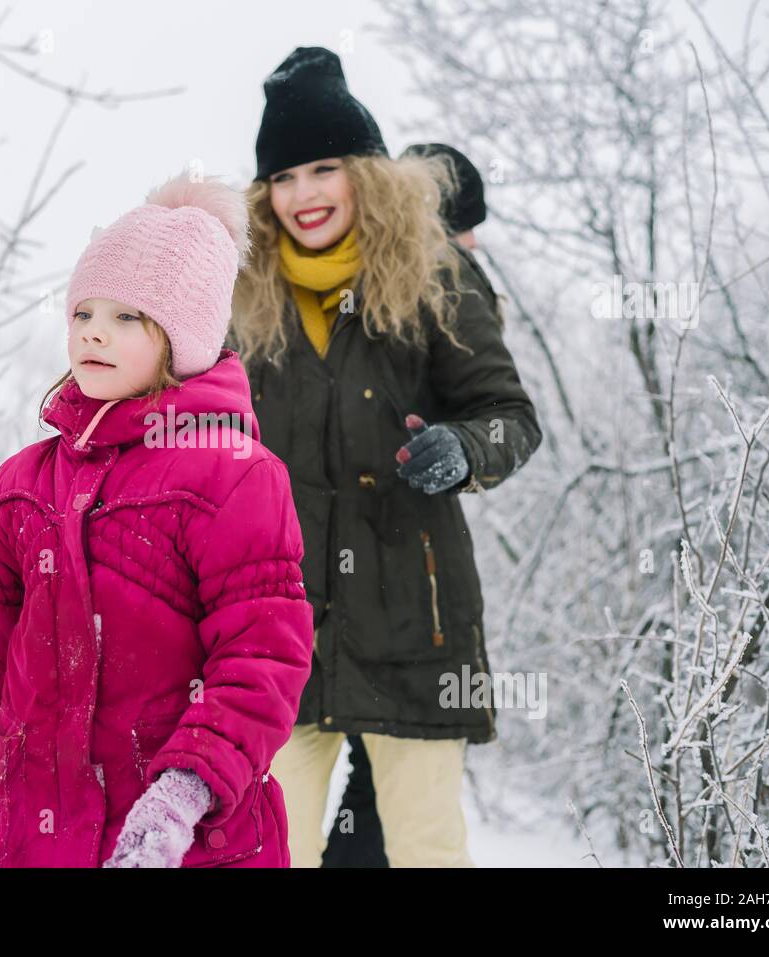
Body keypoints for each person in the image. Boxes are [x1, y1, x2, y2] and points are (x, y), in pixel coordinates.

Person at [0, 171, 315, 867]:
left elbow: (260, 656)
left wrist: (183, 791)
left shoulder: (234, 475)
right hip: (26, 836)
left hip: (182, 842)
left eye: (127, 318)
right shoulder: (23, 484)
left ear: (182, 338)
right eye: (83, 313)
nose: (94, 333)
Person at [228, 46, 542, 868]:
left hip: (416, 624)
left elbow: (510, 415)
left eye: (323, 169)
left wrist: (464, 449)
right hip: (277, 634)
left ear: (363, 171)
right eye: (285, 177)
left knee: (424, 850)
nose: (304, 195)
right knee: (263, 849)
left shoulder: (434, 276)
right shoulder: (242, 296)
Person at [323, 141, 500, 868]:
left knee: (376, 792)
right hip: (392, 595)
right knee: (382, 800)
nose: (473, 242)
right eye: (464, 226)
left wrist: (461, 449)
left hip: (390, 590)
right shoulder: (430, 287)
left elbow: (492, 417)